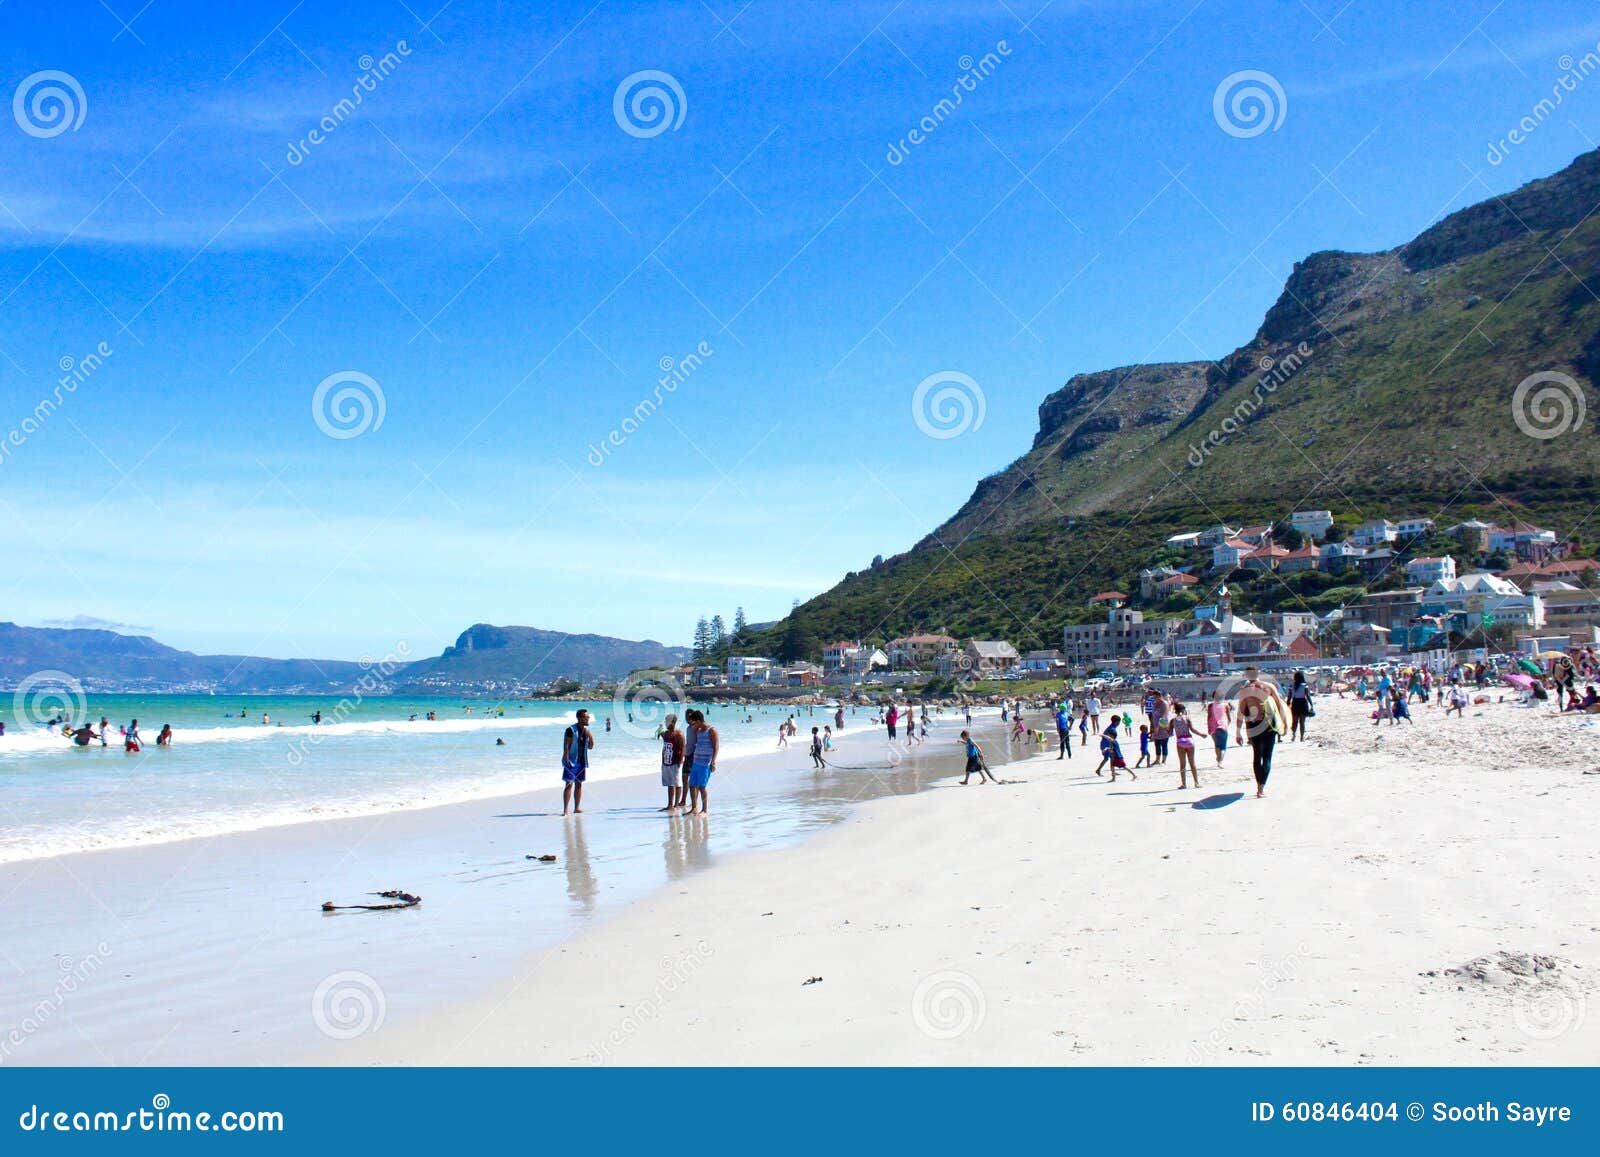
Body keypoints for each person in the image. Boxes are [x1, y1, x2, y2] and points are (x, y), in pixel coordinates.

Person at [1235, 668, 1288, 799]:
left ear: (1247, 676)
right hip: (1269, 725)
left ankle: (1259, 787)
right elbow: (1280, 706)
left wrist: (1238, 732)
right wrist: (1285, 723)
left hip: (1254, 726)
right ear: (1258, 674)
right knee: (1267, 757)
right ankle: (1261, 788)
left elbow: (1241, 712)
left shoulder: (1244, 690)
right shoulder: (1269, 686)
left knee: (1257, 756)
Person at [561, 709, 594, 816]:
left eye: (588, 717)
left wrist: (590, 736)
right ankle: (565, 810)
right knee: (569, 784)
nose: (588, 718)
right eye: (586, 717)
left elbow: (590, 747)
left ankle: (576, 808)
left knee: (579, 784)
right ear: (580, 718)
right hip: (571, 761)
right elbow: (566, 745)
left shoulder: (586, 731)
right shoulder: (570, 730)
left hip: (582, 761)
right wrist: (566, 760)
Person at [684, 710, 718, 815]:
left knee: (702, 786)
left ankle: (704, 810)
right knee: (692, 784)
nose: (693, 725)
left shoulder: (711, 730)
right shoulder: (698, 730)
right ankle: (694, 808)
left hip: (705, 762)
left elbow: (716, 746)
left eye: (694, 722)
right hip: (696, 761)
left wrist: (713, 762)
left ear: (699, 721)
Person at [659, 713, 685, 811]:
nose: (665, 723)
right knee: (669, 784)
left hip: (675, 762)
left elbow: (682, 749)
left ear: (673, 722)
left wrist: (680, 761)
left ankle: (676, 804)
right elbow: (665, 746)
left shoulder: (679, 734)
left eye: (667, 721)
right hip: (666, 761)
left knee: (677, 783)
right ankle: (670, 804)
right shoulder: (666, 733)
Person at [1171, 702, 1199, 789]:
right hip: (1189, 741)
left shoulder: (1173, 720)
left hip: (1180, 742)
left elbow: (1168, 732)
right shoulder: (1187, 719)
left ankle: (1184, 784)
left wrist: (1164, 727)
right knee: (1192, 763)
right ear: (1183, 710)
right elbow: (1193, 730)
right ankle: (1196, 783)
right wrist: (1202, 734)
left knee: (1182, 764)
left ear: (1175, 711)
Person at [1206, 692, 1232, 767]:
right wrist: (1226, 725)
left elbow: (1209, 717)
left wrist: (1208, 727)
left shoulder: (1210, 706)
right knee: (1223, 746)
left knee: (1217, 744)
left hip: (1213, 727)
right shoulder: (1226, 705)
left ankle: (1218, 759)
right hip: (1223, 726)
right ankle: (1220, 761)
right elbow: (1229, 718)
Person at [1287, 671, 1312, 741]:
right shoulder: (1305, 685)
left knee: (1294, 721)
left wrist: (1287, 705)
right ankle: (1301, 737)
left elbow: (1289, 697)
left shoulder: (1292, 686)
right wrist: (1311, 704)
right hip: (1303, 703)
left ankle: (1293, 735)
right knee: (1302, 722)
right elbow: (1307, 696)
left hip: (1295, 703)